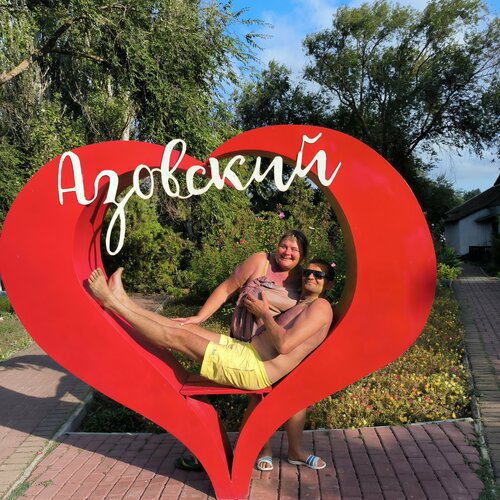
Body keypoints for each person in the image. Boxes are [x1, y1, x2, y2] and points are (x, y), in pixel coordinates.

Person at [87, 260, 334, 469]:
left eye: (319, 275)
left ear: (329, 284)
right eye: (308, 272)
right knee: (184, 327)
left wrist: (264, 313)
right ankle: (124, 301)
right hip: (245, 353)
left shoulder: (321, 307)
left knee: (178, 337)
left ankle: (111, 302)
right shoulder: (303, 304)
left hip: (253, 368)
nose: (310, 277)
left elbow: (284, 345)